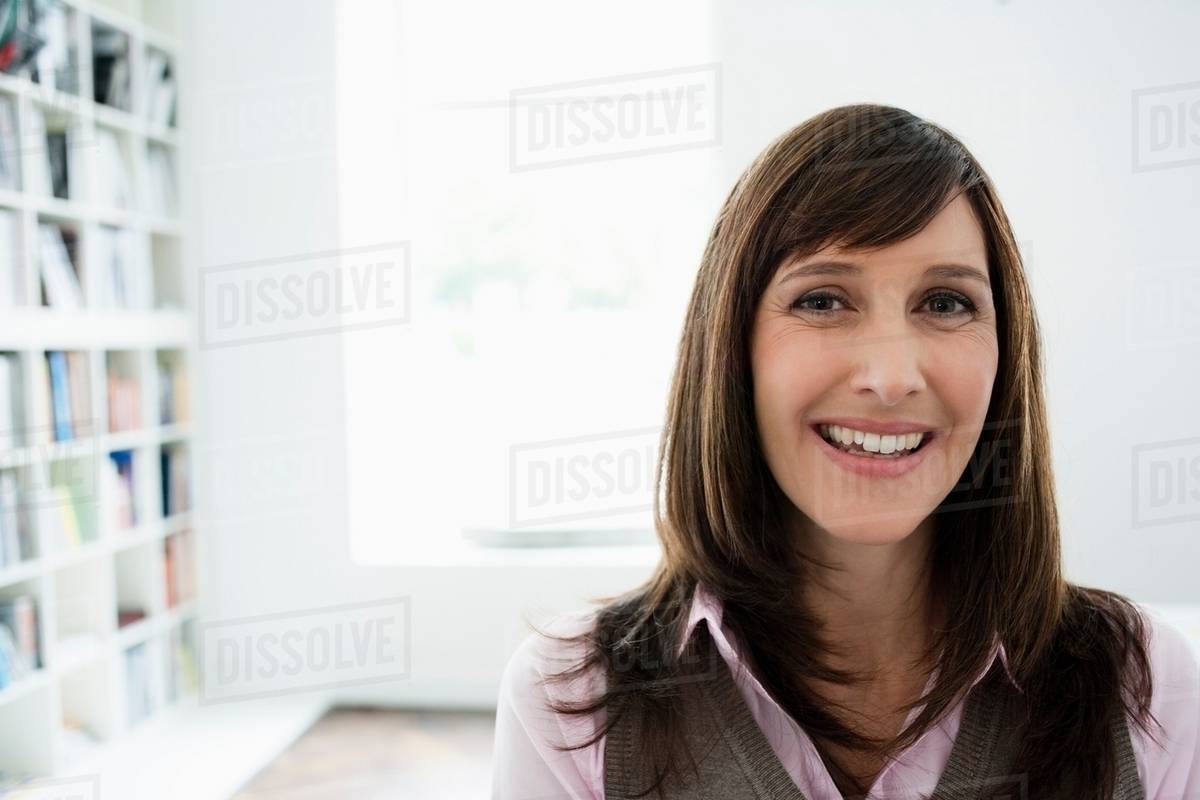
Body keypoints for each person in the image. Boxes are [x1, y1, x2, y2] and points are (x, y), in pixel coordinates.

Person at [491, 104, 1200, 800]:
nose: (891, 378)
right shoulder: (567, 703)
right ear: (732, 347)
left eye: (945, 303)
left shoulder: (1148, 686)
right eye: (824, 300)